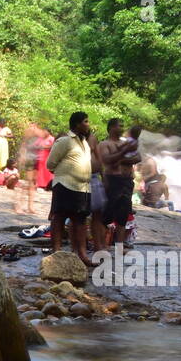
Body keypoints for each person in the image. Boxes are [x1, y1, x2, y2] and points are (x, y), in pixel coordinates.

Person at [45, 111, 95, 265]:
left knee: (80, 221)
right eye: (85, 121)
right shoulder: (64, 141)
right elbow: (50, 164)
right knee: (59, 217)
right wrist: (65, 174)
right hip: (65, 185)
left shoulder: (85, 143)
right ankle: (57, 252)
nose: (88, 125)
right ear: (77, 124)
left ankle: (82, 255)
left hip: (83, 188)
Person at [98, 118, 140, 245]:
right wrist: (125, 156)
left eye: (123, 125)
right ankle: (102, 245)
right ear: (111, 128)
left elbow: (138, 157)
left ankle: (119, 247)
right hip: (112, 181)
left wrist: (119, 159)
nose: (122, 128)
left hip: (127, 182)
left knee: (123, 217)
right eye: (119, 125)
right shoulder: (104, 144)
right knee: (106, 215)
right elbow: (107, 160)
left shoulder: (127, 142)